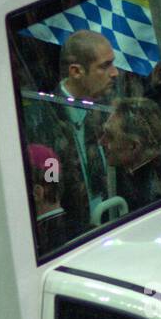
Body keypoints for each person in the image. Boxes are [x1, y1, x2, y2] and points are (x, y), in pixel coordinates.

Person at [21, 30, 118, 246]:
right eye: (105, 66)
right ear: (76, 71)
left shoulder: (107, 107)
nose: (115, 73)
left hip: (115, 221)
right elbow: (48, 193)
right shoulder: (40, 121)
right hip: (72, 240)